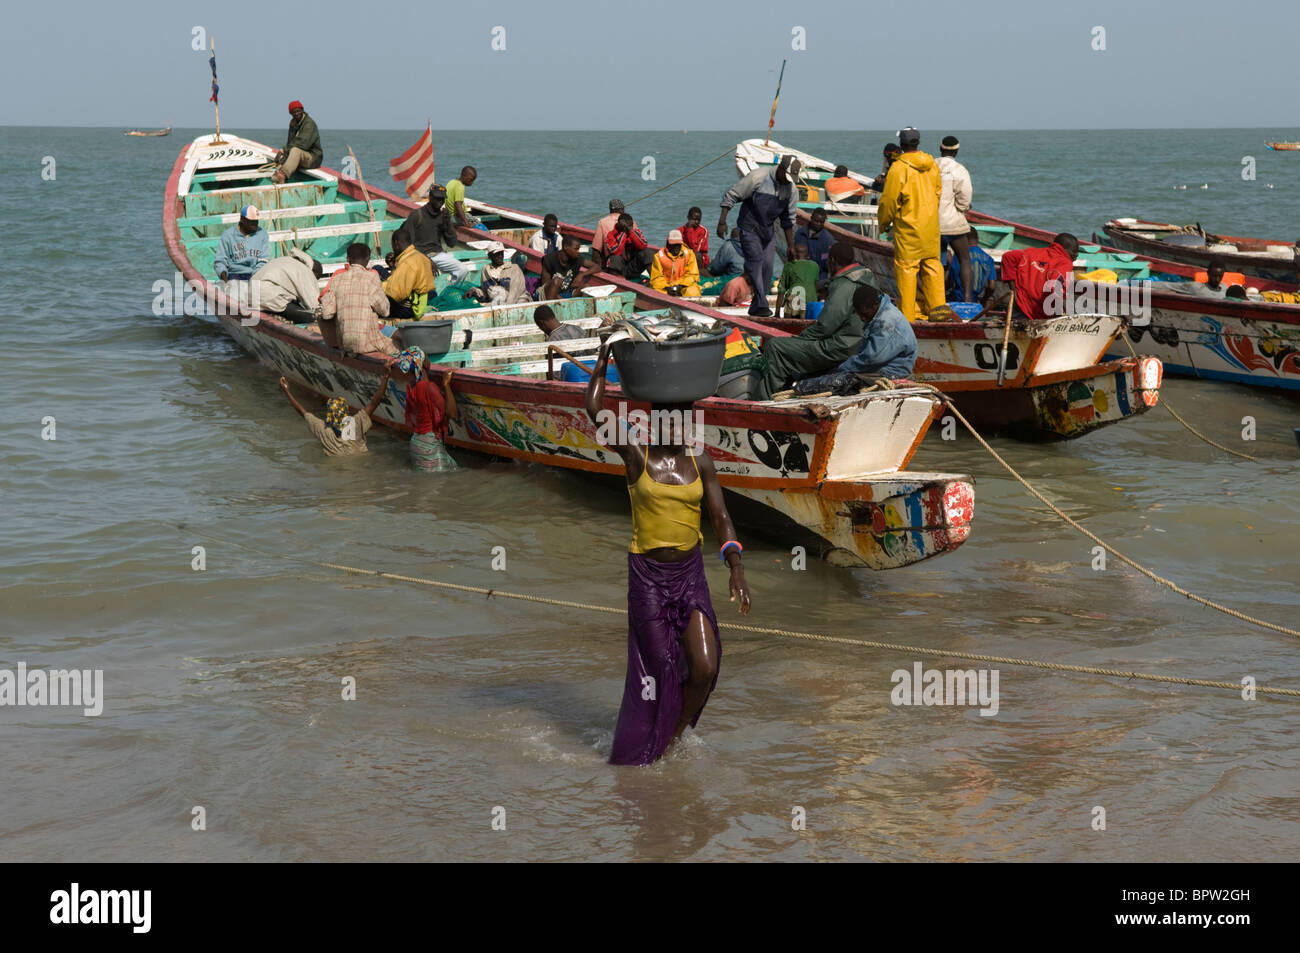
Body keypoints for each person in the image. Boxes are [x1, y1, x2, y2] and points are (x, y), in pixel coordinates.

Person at [584, 342, 751, 766]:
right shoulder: (635, 455)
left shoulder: (702, 462)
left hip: (690, 575)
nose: (677, 428)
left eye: (682, 420)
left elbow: (721, 517)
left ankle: (671, 738)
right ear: (654, 424)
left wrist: (736, 567)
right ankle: (643, 752)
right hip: (649, 581)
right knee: (659, 674)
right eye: (668, 420)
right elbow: (594, 406)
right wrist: (603, 360)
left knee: (705, 667)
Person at [756, 242, 878, 398]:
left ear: (833, 260)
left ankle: (765, 399)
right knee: (791, 347)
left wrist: (800, 339)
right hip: (859, 344)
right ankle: (789, 390)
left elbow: (826, 326)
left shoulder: (844, 285)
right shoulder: (868, 277)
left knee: (775, 346)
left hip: (840, 347)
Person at [718, 154, 802, 317]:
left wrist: (791, 246)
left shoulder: (791, 190)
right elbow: (732, 195)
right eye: (785, 177)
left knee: (767, 267)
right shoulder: (758, 177)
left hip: (767, 231)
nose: (786, 182)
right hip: (749, 228)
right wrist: (722, 221)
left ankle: (756, 306)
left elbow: (788, 220)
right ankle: (763, 304)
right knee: (755, 261)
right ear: (780, 169)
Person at [878, 127, 944, 321]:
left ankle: (907, 319)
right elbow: (938, 193)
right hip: (930, 228)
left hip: (908, 229)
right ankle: (939, 314)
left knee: (907, 271)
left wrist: (883, 224)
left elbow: (889, 201)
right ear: (917, 142)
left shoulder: (898, 168)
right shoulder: (932, 165)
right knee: (933, 267)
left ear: (901, 144)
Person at [278, 365, 392, 457]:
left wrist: (286, 391)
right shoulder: (356, 424)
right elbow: (375, 402)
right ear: (346, 412)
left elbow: (302, 412)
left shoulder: (324, 430)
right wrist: (386, 375)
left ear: (329, 415)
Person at [322, 243, 398, 355]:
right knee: (400, 347)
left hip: (345, 345)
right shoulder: (371, 277)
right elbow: (385, 311)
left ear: (348, 259)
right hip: (369, 343)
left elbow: (326, 313)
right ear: (368, 258)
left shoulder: (337, 279)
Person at [396, 346, 459, 472]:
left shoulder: (411, 387)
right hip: (429, 446)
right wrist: (446, 385)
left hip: (416, 443)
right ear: (424, 363)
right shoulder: (430, 387)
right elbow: (452, 414)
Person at [998, 233, 1080, 320]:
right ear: (1069, 252)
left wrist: (1014, 291)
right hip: (1041, 314)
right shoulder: (1065, 263)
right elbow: (1056, 287)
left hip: (1020, 307)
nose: (1075, 258)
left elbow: (1008, 257)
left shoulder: (1031, 252)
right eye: (1075, 254)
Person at [397, 185, 469, 282]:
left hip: (438, 254)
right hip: (419, 255)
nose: (440, 201)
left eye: (442, 198)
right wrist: (426, 260)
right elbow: (407, 243)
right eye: (437, 198)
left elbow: (452, 243)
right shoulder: (417, 215)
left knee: (462, 270)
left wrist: (447, 223)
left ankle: (450, 292)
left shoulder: (443, 216)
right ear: (430, 197)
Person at [937, 136, 975, 303]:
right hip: (953, 223)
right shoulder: (960, 170)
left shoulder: (931, 166)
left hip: (932, 223)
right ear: (956, 151)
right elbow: (965, 199)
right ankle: (967, 299)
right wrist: (961, 208)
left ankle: (937, 299)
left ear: (940, 149)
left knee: (936, 263)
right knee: (964, 259)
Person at [244, 248, 322, 323]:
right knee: (312, 317)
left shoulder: (285, 260)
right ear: (314, 273)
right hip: (267, 298)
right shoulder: (306, 271)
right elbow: (313, 304)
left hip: (250, 297)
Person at [382, 228, 436, 318]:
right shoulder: (421, 256)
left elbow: (396, 293)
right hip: (420, 301)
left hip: (408, 309)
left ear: (396, 243)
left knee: (377, 271)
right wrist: (393, 267)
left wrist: (378, 287)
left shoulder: (406, 262)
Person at [214, 206, 270, 282]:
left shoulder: (262, 234)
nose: (255, 224)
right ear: (242, 219)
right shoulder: (228, 235)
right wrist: (225, 280)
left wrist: (254, 279)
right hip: (234, 275)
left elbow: (264, 260)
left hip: (255, 275)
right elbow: (220, 261)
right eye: (251, 221)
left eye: (256, 221)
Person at [272, 101, 322, 184]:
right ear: (291, 114)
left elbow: (302, 144)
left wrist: (282, 150)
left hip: (313, 159)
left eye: (298, 111)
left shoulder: (309, 124)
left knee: (295, 150)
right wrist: (283, 159)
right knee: (275, 177)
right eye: (293, 112)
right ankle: (281, 178)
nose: (296, 113)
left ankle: (283, 175)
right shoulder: (293, 123)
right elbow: (290, 143)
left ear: (302, 110)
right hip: (301, 157)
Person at [945, 227, 997, 304]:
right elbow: (992, 286)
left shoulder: (959, 255)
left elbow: (950, 282)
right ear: (978, 239)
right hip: (974, 300)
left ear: (963, 239)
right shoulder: (988, 259)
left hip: (957, 298)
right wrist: (984, 300)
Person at [649, 230, 701, 297]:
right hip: (666, 287)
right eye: (673, 244)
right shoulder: (658, 256)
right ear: (668, 244)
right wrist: (667, 288)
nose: (676, 247)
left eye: (678, 244)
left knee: (693, 291)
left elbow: (693, 275)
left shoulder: (689, 254)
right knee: (656, 292)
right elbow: (656, 278)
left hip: (684, 285)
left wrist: (681, 286)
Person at [775, 244, 819, 318]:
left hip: (794, 298)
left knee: (788, 326)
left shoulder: (789, 265)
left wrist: (777, 313)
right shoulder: (815, 266)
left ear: (794, 255)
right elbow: (816, 286)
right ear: (808, 255)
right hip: (810, 302)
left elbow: (781, 290)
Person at [793, 208, 835, 282]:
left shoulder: (828, 240)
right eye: (816, 221)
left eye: (821, 222)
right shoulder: (799, 233)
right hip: (799, 276)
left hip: (819, 278)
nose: (818, 224)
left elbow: (827, 264)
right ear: (811, 218)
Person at [681, 207, 710, 271]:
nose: (696, 222)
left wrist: (689, 229)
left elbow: (695, 249)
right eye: (694, 219)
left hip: (700, 258)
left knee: (696, 256)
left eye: (698, 220)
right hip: (685, 256)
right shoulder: (680, 230)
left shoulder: (703, 231)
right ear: (688, 218)